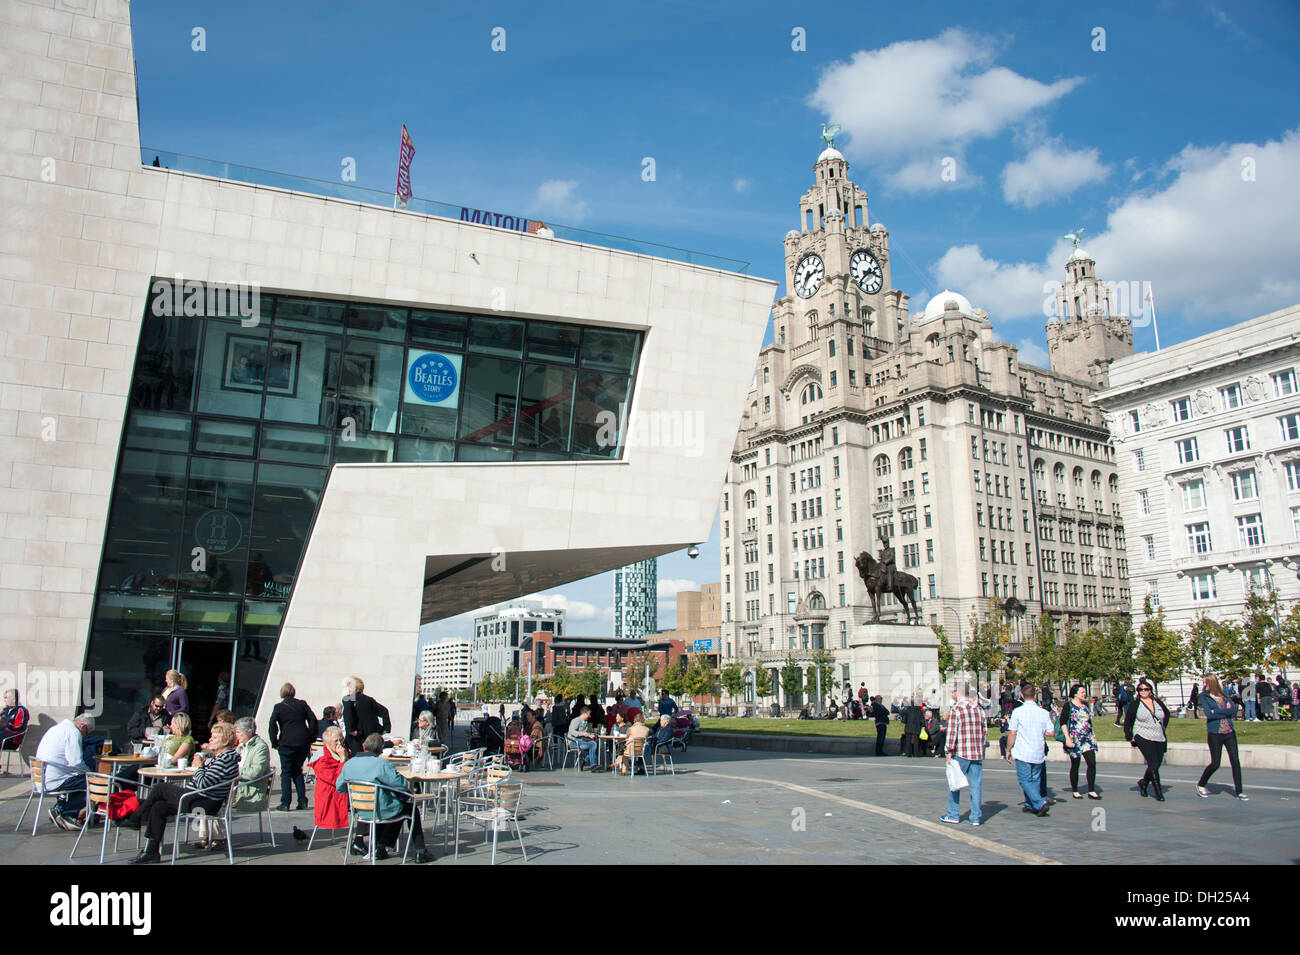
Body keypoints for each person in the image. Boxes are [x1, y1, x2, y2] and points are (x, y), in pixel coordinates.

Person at [121, 721, 240, 864]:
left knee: (160, 788)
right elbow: (208, 781)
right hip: (200, 799)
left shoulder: (225, 760)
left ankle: (135, 818)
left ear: (225, 741)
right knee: (159, 807)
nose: (210, 740)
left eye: (214, 738)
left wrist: (199, 767)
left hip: (202, 804)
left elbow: (203, 783)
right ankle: (151, 851)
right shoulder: (224, 758)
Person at [335, 733, 433, 862]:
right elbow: (402, 785)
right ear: (381, 750)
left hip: (361, 811)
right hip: (381, 810)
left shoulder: (349, 764)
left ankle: (381, 846)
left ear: (363, 746)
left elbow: (340, 788)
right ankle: (420, 850)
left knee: (396, 806)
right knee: (410, 808)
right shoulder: (381, 764)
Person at [35, 714, 95, 829]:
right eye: (87, 733)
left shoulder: (55, 728)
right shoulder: (73, 732)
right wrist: (91, 773)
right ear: (82, 727)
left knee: (80, 779)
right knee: (93, 783)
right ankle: (64, 812)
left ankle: (61, 808)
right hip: (54, 781)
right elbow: (76, 762)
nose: (85, 736)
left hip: (41, 779)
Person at [940, 683, 987, 827]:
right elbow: (984, 731)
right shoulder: (979, 709)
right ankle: (975, 817)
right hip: (977, 753)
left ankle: (953, 814)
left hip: (961, 752)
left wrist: (948, 751)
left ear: (958, 693)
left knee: (955, 784)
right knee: (976, 786)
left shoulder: (957, 709)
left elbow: (952, 732)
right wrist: (981, 748)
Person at [1004, 683, 1054, 817]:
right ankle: (1030, 804)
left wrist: (1008, 749)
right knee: (1035, 779)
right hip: (1038, 751)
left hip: (1023, 751)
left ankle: (1039, 802)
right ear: (1036, 696)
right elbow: (1051, 732)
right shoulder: (1043, 712)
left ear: (1021, 695)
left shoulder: (1018, 712)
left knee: (1024, 780)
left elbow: (1012, 732)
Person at [1196, 675, 1247, 800]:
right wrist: (1222, 711)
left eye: (1205, 682)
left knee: (1235, 761)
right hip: (1215, 733)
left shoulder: (1224, 695)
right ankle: (1201, 783)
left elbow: (1232, 711)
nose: (1204, 684)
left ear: (1212, 682)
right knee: (1215, 763)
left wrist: (1216, 711)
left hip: (1229, 732)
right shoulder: (1204, 696)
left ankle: (1239, 791)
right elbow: (1209, 714)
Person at [269, 682, 317, 811]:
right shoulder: (302, 704)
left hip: (286, 742)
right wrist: (311, 736)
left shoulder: (279, 707)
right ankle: (302, 800)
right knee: (297, 770)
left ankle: (285, 802)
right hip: (302, 741)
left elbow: (272, 724)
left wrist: (274, 742)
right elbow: (313, 719)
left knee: (286, 772)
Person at [1123, 679, 1171, 801]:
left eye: (1146, 689)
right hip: (1142, 735)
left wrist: (1162, 726)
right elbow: (1128, 721)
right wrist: (1130, 736)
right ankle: (1158, 792)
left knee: (1156, 763)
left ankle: (1144, 782)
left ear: (1150, 690)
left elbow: (1167, 714)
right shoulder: (1135, 704)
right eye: (1141, 689)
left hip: (1158, 735)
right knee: (1153, 763)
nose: (1143, 691)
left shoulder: (1157, 702)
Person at [311, 726, 353, 847]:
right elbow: (336, 779)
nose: (339, 744)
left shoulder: (343, 750)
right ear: (328, 743)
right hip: (330, 795)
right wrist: (342, 760)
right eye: (336, 741)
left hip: (346, 791)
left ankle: (362, 837)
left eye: (340, 740)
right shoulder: (321, 759)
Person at [1061, 683, 1100, 799]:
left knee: (1092, 762)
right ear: (1075, 694)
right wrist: (1067, 739)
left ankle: (1091, 789)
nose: (1084, 694)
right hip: (1075, 739)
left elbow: (1089, 722)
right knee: (1075, 764)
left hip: (1087, 739)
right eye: (1082, 692)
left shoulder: (1085, 706)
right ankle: (1075, 790)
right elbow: (1063, 722)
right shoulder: (1069, 706)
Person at [342, 676, 390, 756]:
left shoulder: (348, 698)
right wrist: (386, 728)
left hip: (356, 737)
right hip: (370, 736)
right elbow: (384, 711)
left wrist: (351, 730)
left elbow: (348, 714)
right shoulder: (369, 700)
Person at [0, 689, 30, 765]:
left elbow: (19, 728)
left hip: (12, 740)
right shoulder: (5, 711)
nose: (5, 700)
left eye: (6, 698)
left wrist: (4, 724)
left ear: (13, 699)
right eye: (4, 698)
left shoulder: (21, 711)